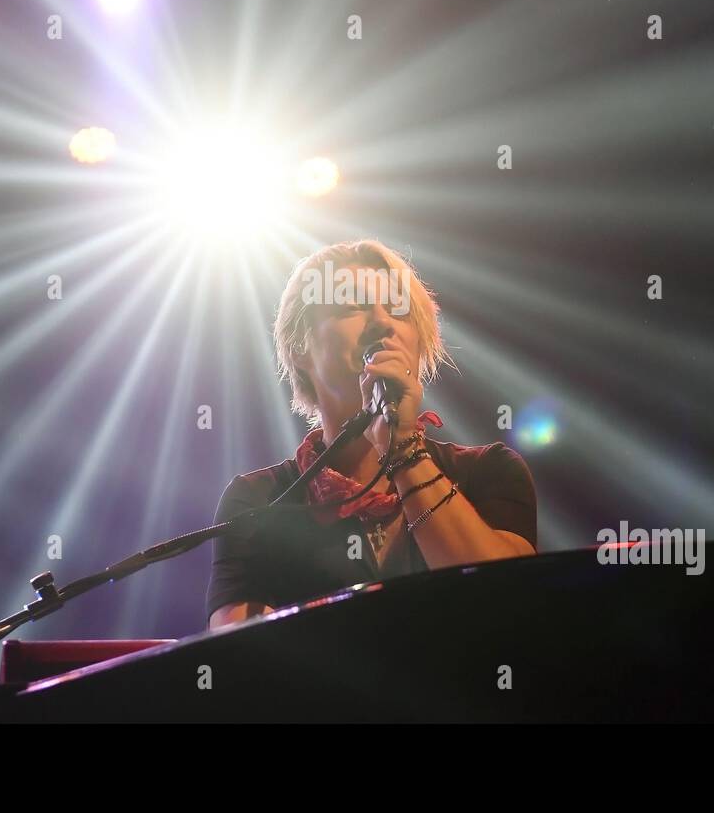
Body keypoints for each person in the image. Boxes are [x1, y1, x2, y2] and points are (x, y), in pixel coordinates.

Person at [206, 240, 537, 629]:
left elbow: (511, 606)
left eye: (398, 309)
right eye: (351, 306)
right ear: (299, 347)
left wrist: (402, 450)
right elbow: (240, 660)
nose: (382, 322)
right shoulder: (258, 502)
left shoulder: (488, 471)